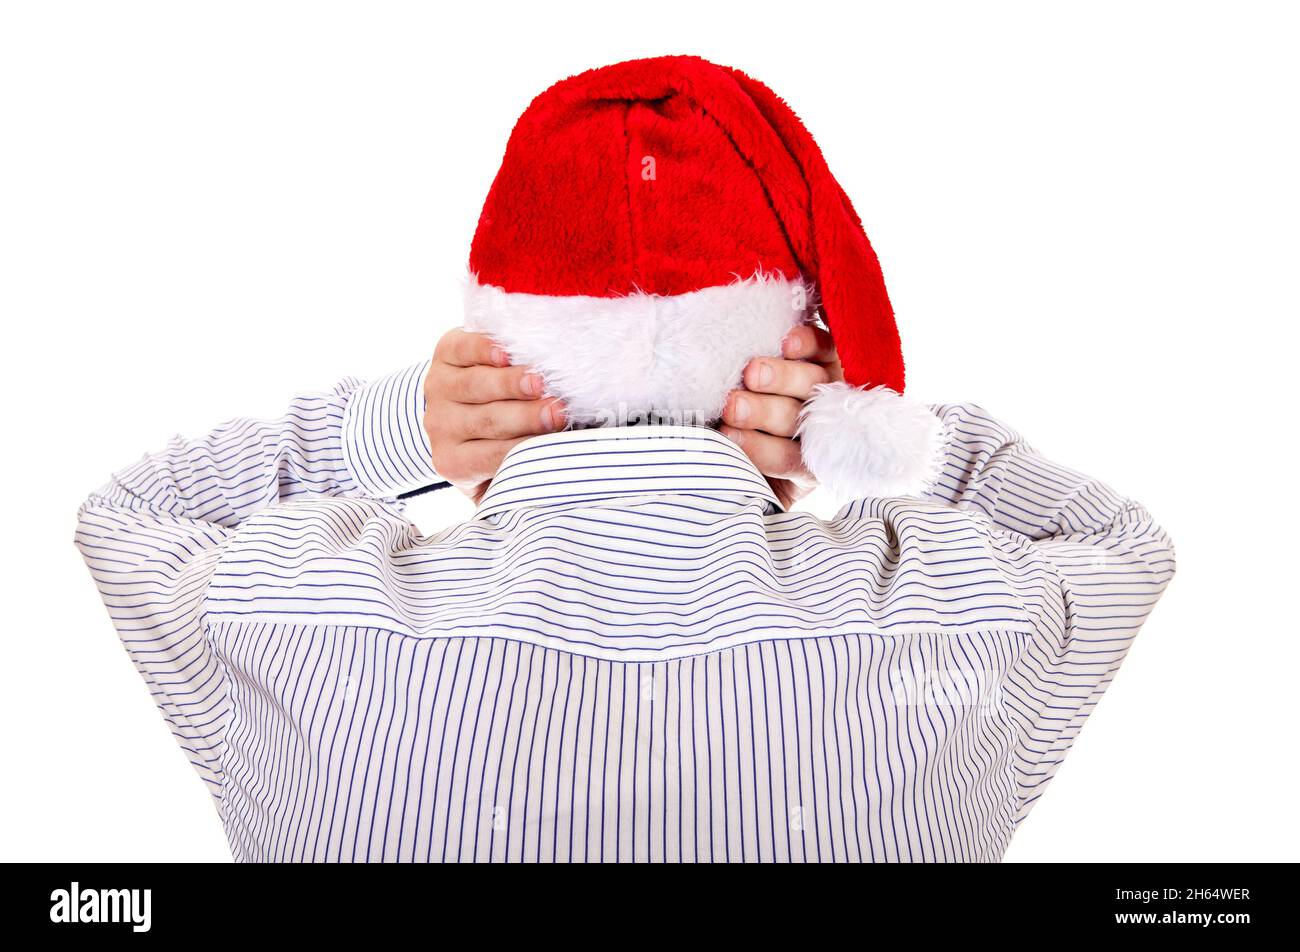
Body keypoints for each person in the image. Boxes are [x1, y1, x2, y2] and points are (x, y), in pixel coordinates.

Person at [75, 56, 1174, 862]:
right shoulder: (949, 624)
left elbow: (124, 515)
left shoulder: (296, 619)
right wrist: (887, 444)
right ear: (782, 346)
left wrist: (402, 427)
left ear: (500, 343)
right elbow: (1120, 544)